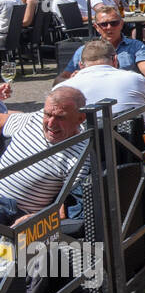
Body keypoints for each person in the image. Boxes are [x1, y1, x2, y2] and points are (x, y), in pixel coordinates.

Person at [0, 86, 90, 224]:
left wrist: (34, 219)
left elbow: (63, 210)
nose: (51, 123)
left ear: (80, 118)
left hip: (12, 210)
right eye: (47, 114)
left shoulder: (80, 153)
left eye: (61, 117)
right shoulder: (34, 119)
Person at [65, 37, 145, 126]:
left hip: (85, 148)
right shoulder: (135, 79)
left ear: (80, 65)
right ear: (115, 60)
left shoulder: (63, 89)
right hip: (131, 146)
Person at [58, 4, 145, 85]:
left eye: (114, 23)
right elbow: (59, 81)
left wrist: (133, 86)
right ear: (96, 27)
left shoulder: (135, 46)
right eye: (104, 24)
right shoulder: (84, 50)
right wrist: (71, 80)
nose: (109, 27)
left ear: (121, 24)